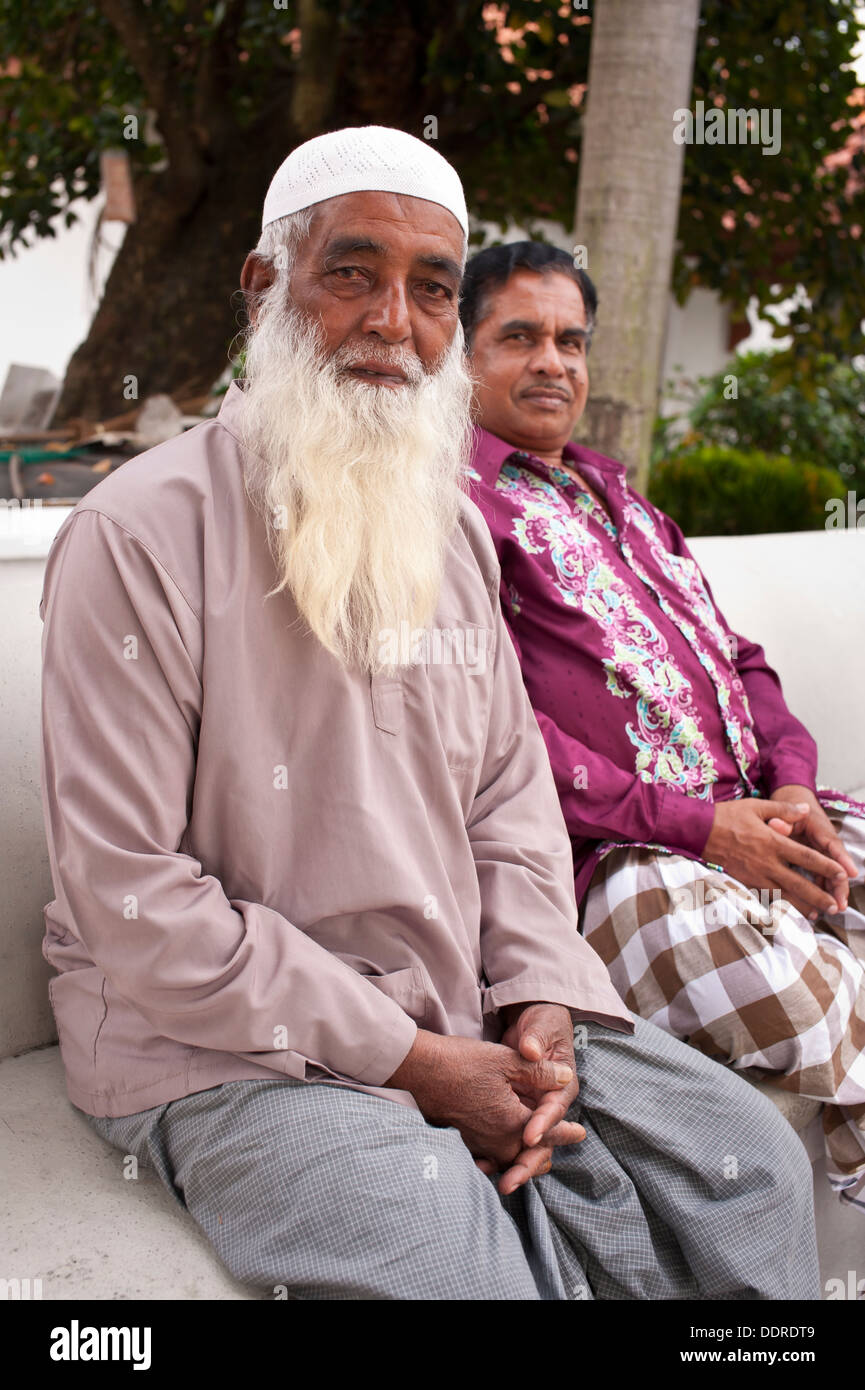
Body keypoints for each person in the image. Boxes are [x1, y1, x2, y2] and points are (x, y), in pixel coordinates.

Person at [39, 129, 819, 1301]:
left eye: (432, 290)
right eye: (351, 272)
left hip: (465, 1000)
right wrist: (411, 1063)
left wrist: (540, 999)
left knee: (748, 1163)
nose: (391, 321)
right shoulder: (140, 532)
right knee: (441, 1251)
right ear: (265, 287)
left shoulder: (448, 527)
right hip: (218, 1044)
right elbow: (134, 897)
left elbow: (509, 801)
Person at [462, 239, 865, 1212]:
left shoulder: (624, 501)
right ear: (459, 355)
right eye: (519, 336)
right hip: (616, 867)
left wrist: (794, 785)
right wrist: (700, 828)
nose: (552, 361)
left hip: (757, 817)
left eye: (570, 339)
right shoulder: (452, 510)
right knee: (815, 1005)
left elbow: (742, 661)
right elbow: (490, 733)